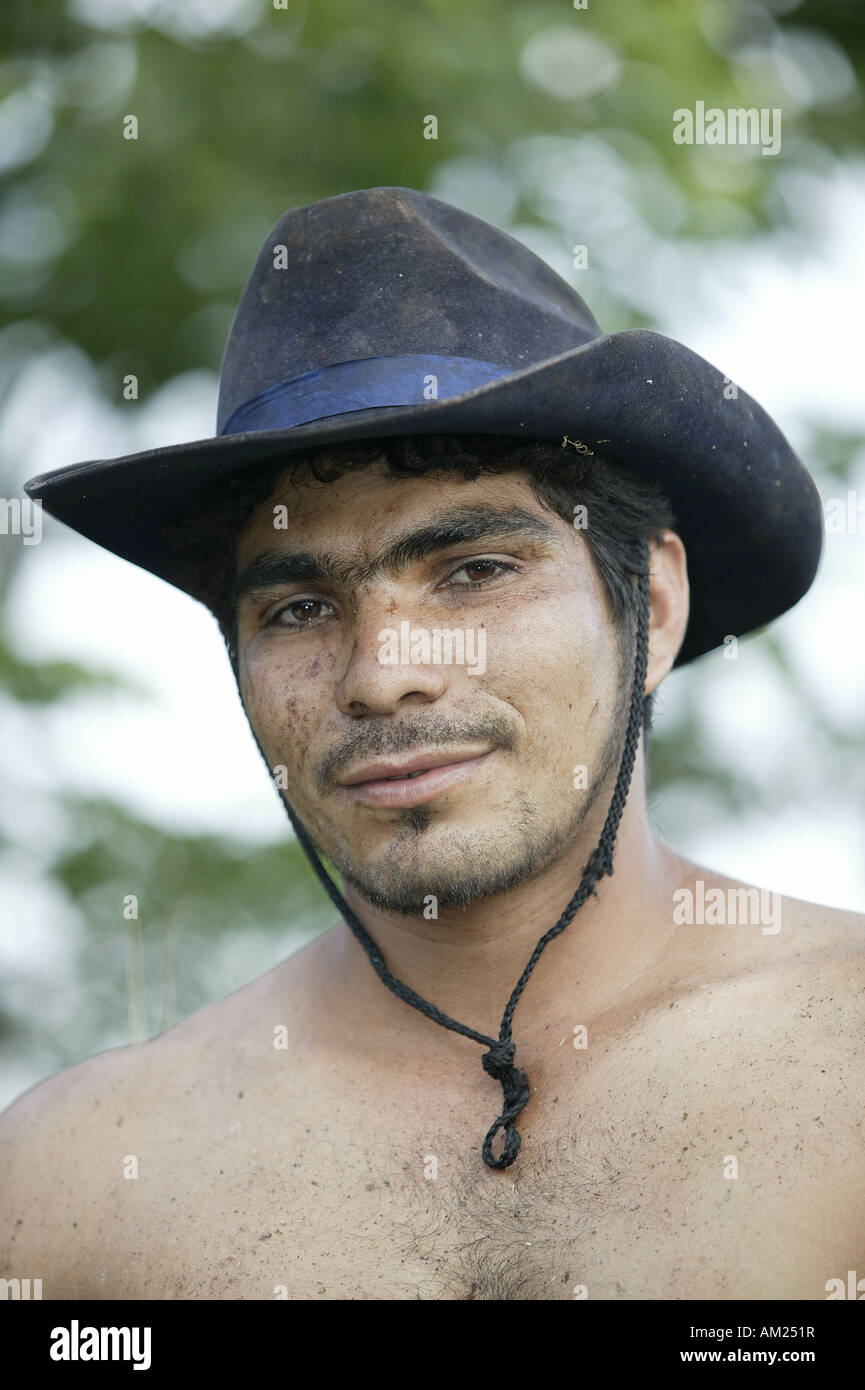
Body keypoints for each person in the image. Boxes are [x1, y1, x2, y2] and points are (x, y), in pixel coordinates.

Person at [2, 188, 862, 1302]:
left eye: (472, 573)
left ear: (646, 605)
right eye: (299, 608)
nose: (379, 673)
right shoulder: (75, 1188)